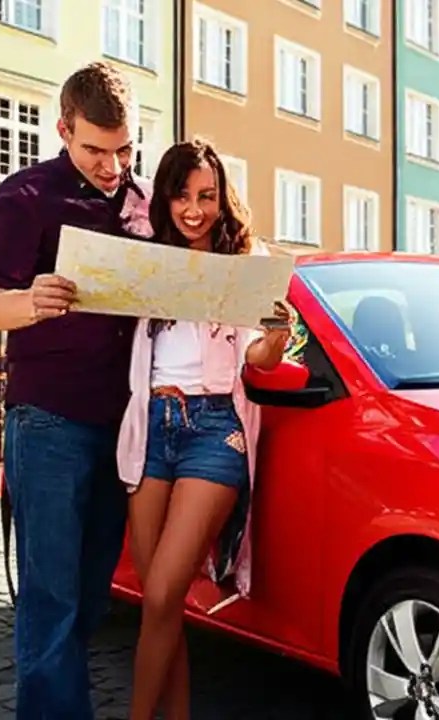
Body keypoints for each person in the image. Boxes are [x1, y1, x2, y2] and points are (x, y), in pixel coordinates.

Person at [0, 62, 148, 718]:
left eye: (124, 148)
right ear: (64, 129)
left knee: (94, 596)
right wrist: (28, 300)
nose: (111, 164)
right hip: (48, 425)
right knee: (51, 597)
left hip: (124, 427)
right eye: (96, 149)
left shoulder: (142, 202)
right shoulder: (26, 195)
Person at [116, 139, 291, 720]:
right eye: (182, 195)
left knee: (166, 591)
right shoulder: (148, 262)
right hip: (151, 428)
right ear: (165, 197)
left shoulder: (243, 264)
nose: (195, 208)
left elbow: (258, 361)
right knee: (157, 605)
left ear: (223, 199)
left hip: (214, 430)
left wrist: (275, 338)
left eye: (207, 196)